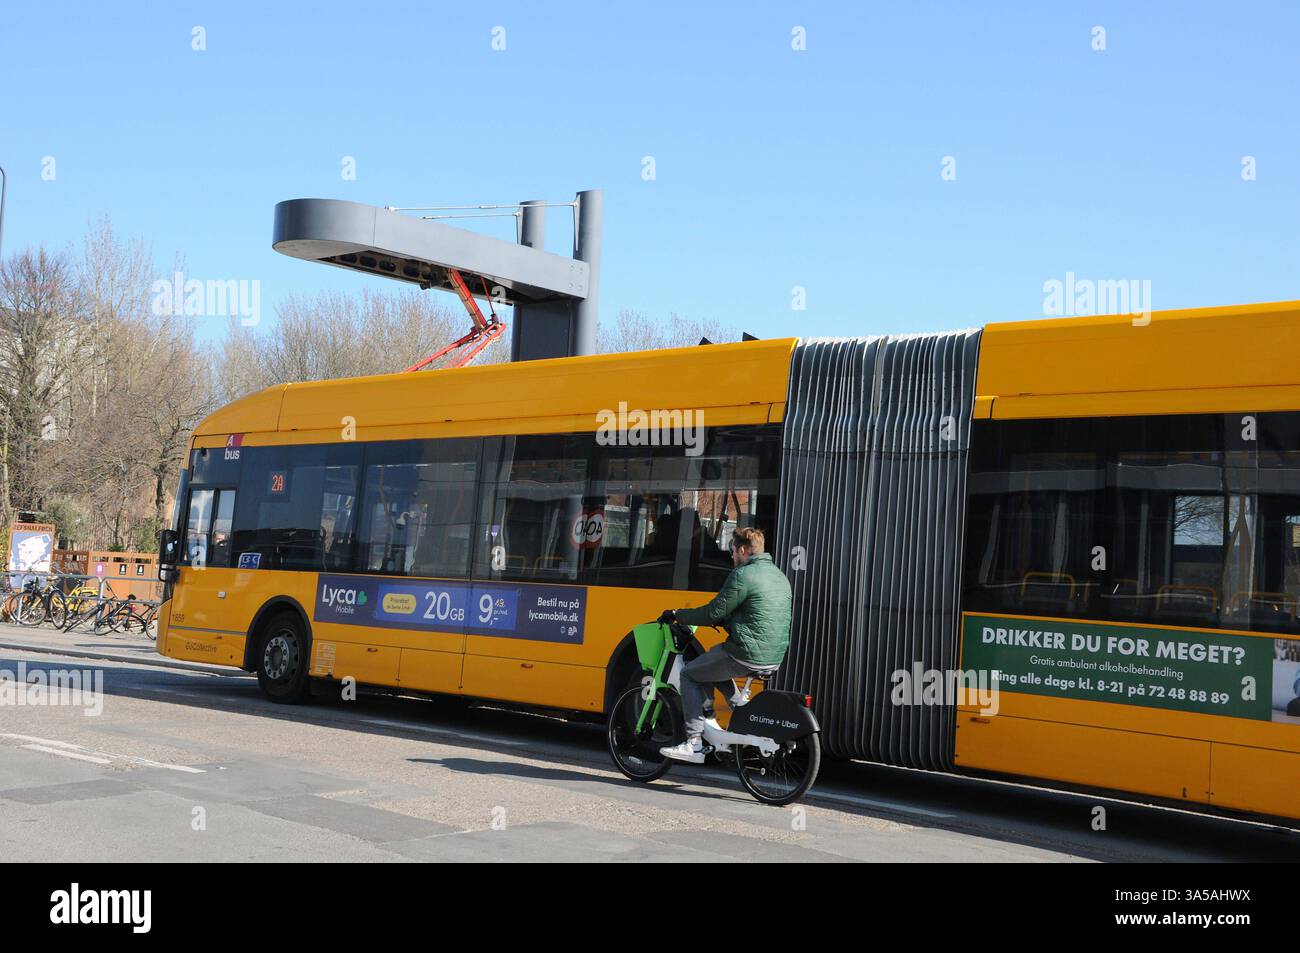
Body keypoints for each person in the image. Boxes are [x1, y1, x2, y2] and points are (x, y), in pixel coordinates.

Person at [657, 526, 793, 763]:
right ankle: (743, 714)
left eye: (732, 551)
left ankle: (694, 743)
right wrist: (728, 621)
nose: (731, 556)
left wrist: (678, 615)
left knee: (689, 674)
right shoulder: (778, 575)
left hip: (746, 652)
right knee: (711, 663)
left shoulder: (743, 574)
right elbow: (757, 613)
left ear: (742, 550)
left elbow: (712, 612)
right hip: (774, 654)